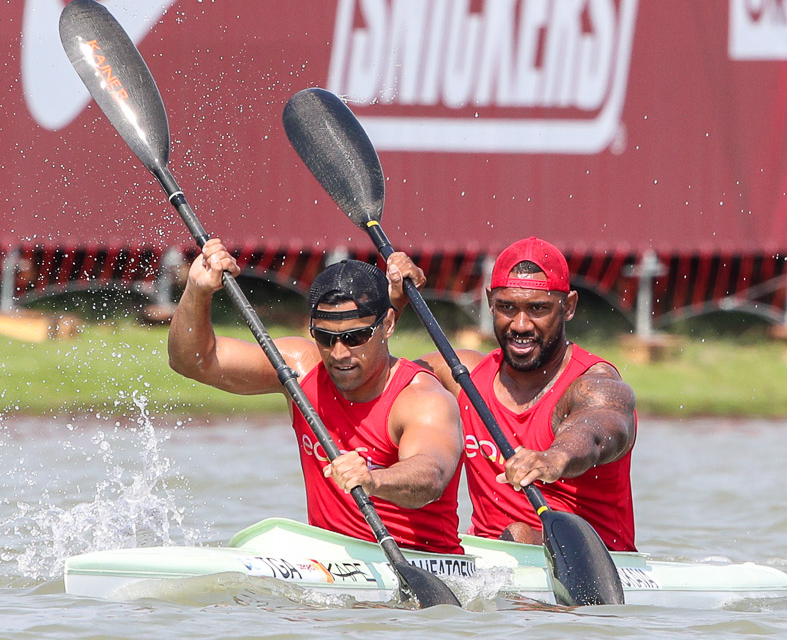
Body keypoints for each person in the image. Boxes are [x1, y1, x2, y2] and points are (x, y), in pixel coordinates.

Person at [168, 239, 464, 554]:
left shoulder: (421, 398)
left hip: (423, 561)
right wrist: (198, 292)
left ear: (388, 324)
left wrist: (374, 479)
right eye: (325, 337)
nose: (339, 353)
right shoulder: (299, 369)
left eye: (355, 337)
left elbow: (431, 476)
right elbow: (193, 361)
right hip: (332, 559)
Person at [391, 236, 638, 551]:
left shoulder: (596, 383)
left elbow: (599, 430)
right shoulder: (464, 376)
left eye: (538, 309)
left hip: (589, 560)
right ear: (490, 301)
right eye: (507, 307)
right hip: (490, 557)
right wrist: (394, 306)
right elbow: (376, 380)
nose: (520, 325)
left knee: (520, 533)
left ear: (569, 306)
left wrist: (554, 458)